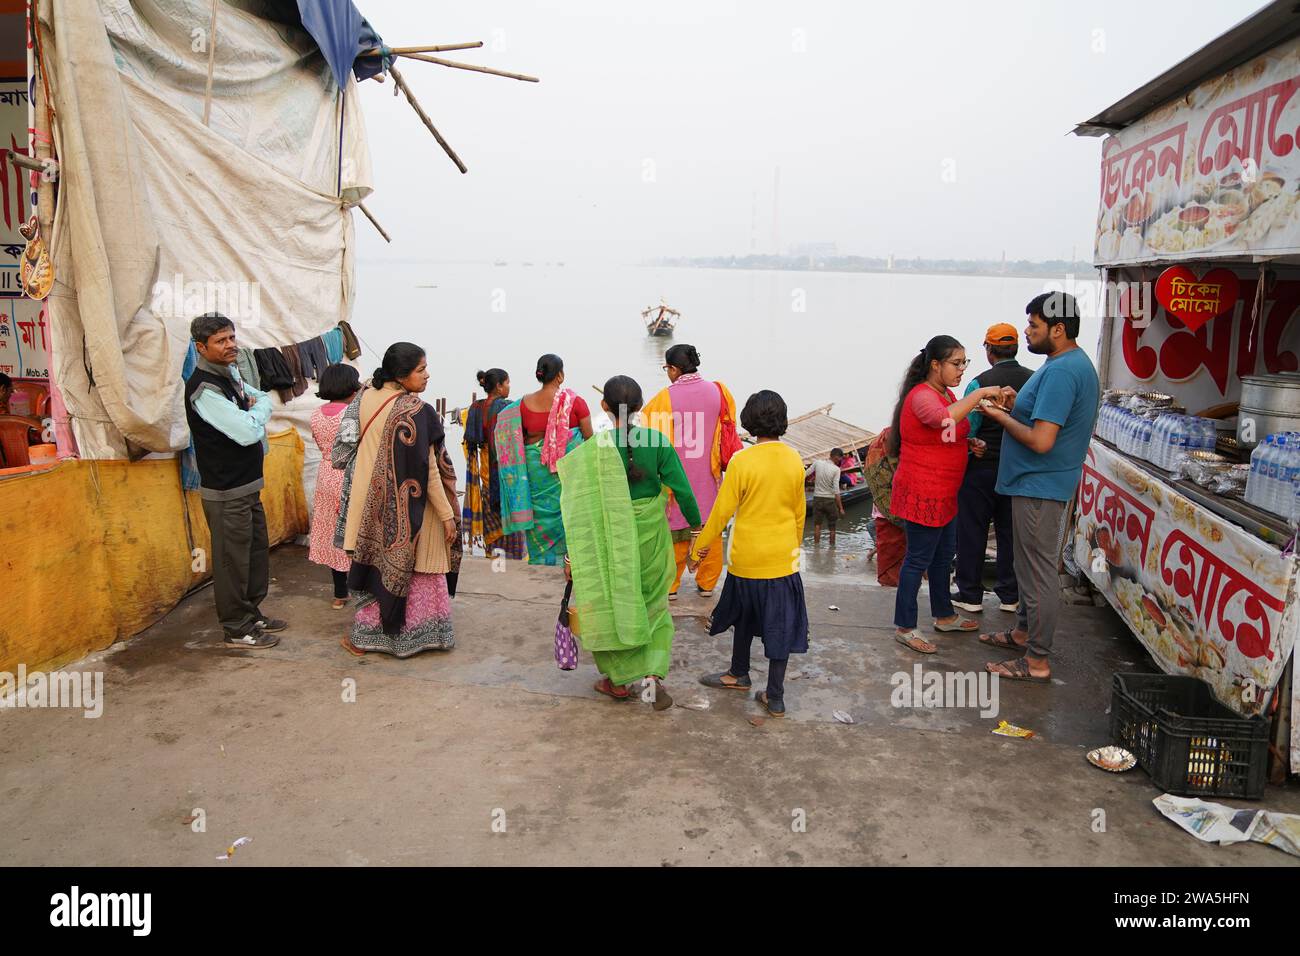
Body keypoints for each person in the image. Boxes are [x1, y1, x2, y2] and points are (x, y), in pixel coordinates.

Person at [976, 292, 1100, 683]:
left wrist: (997, 414)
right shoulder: (1063, 365)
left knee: (1038, 571)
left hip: (1039, 486)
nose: (1026, 333)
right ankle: (1023, 632)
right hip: (1036, 483)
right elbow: (1043, 418)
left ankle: (1037, 660)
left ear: (1058, 329)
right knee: (1028, 567)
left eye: (1033, 326)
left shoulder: (1064, 371)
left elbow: (1043, 440)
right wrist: (1016, 405)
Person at [558, 375, 701, 709]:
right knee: (653, 605)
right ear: (640, 406)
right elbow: (683, 492)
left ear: (604, 406)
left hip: (611, 541)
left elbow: (577, 508)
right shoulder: (658, 442)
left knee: (613, 604)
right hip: (652, 537)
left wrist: (570, 557)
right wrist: (697, 531)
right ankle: (652, 674)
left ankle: (617, 681)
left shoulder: (594, 449)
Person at [335, 343, 458, 657]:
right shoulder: (418, 411)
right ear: (402, 376)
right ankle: (416, 638)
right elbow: (429, 470)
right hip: (407, 506)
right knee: (416, 568)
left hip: (366, 505)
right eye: (421, 370)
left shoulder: (364, 397)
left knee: (375, 568)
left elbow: (343, 447)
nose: (427, 375)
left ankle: (366, 638)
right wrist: (446, 514)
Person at [693, 390, 809, 718]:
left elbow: (721, 513)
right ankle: (775, 696)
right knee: (780, 626)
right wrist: (793, 549)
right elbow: (799, 513)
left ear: (749, 420)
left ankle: (738, 672)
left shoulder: (742, 461)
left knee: (743, 617)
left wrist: (699, 549)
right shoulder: (794, 459)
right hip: (782, 562)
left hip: (746, 561)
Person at [890, 335, 1004, 654]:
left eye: (964, 363)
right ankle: (906, 625)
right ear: (935, 365)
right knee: (917, 561)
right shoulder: (921, 396)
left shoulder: (947, 394)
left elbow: (947, 432)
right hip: (923, 492)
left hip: (946, 493)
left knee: (943, 559)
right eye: (956, 363)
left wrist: (969, 443)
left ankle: (944, 615)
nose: (961, 369)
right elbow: (942, 420)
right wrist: (980, 393)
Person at [185, 312, 286, 648]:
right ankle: (236, 627)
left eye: (231, 338)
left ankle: (251, 612)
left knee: (255, 554)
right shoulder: (203, 389)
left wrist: (255, 412)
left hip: (247, 485)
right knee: (232, 562)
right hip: (226, 490)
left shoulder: (230, 374)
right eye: (220, 341)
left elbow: (263, 398)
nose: (230, 346)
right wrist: (256, 415)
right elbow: (245, 432)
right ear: (201, 347)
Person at [951, 323, 1036, 614]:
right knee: (1010, 532)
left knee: (972, 530)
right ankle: (1010, 596)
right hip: (1019, 470)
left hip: (980, 470)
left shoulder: (979, 383)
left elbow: (967, 428)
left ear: (989, 350)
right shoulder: (1034, 380)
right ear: (1016, 349)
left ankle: (970, 595)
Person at [641, 343, 738, 598]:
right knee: (709, 524)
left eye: (667, 368)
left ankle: (671, 586)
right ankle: (707, 582)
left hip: (676, 478)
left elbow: (648, 435)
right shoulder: (720, 391)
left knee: (675, 528)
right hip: (709, 475)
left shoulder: (664, 398)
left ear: (674, 369)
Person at [493, 353, 593, 566]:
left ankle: (540, 562)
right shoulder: (576, 403)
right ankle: (569, 562)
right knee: (569, 515)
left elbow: (511, 439)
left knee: (539, 519)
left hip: (535, 476)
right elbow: (589, 440)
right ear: (560, 375)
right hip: (567, 475)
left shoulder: (520, 406)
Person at [308, 364, 361, 609]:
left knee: (332, 532)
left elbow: (321, 443)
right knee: (353, 533)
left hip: (325, 474)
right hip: (347, 475)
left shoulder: (317, 414)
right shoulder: (351, 414)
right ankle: (361, 589)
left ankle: (340, 593)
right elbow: (352, 448)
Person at [463, 368, 526, 561]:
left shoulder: (474, 409)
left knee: (491, 514)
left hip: (485, 474)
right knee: (511, 520)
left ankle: (494, 557)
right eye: (507, 383)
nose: (508, 387)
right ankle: (513, 558)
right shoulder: (507, 407)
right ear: (498, 386)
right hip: (505, 473)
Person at [863, 428, 906, 585]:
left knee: (894, 563)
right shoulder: (889, 439)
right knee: (894, 566)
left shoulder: (881, 444)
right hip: (891, 515)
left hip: (886, 514)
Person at [806, 448, 845, 546]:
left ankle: (816, 549)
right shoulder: (836, 469)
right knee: (832, 527)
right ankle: (832, 551)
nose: (840, 461)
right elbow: (836, 490)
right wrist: (841, 508)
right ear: (836, 457)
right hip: (830, 501)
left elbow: (804, 474)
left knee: (817, 525)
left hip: (817, 499)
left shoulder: (817, 463)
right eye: (840, 459)